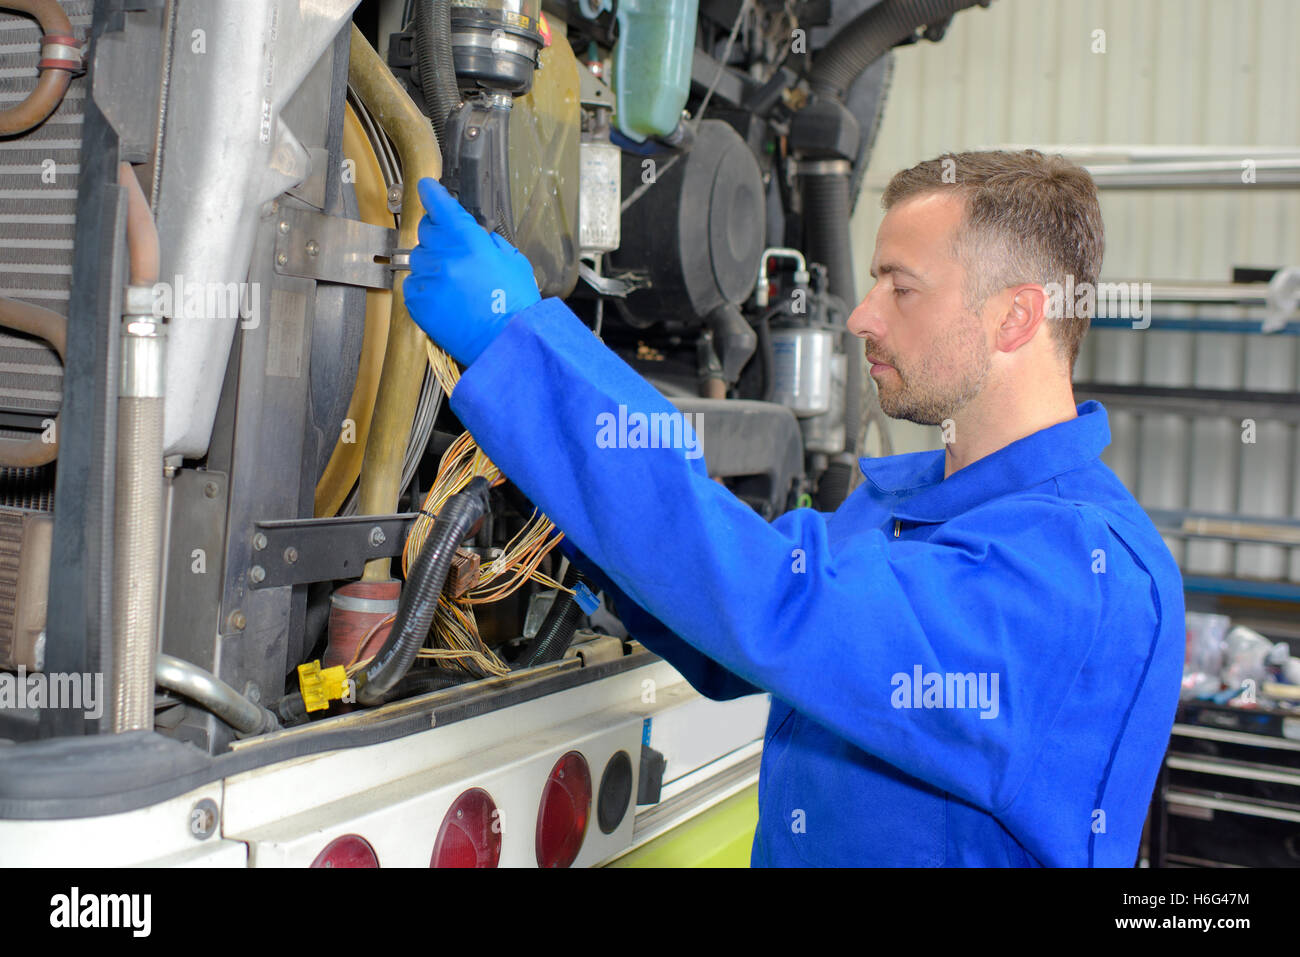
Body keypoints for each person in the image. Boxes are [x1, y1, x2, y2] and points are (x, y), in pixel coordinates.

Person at [402, 149, 1185, 867]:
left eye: (901, 287)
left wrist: (521, 348)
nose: (862, 315)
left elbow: (778, 607)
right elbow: (733, 633)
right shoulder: (908, 511)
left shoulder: (1081, 570)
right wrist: (554, 471)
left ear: (1015, 316)